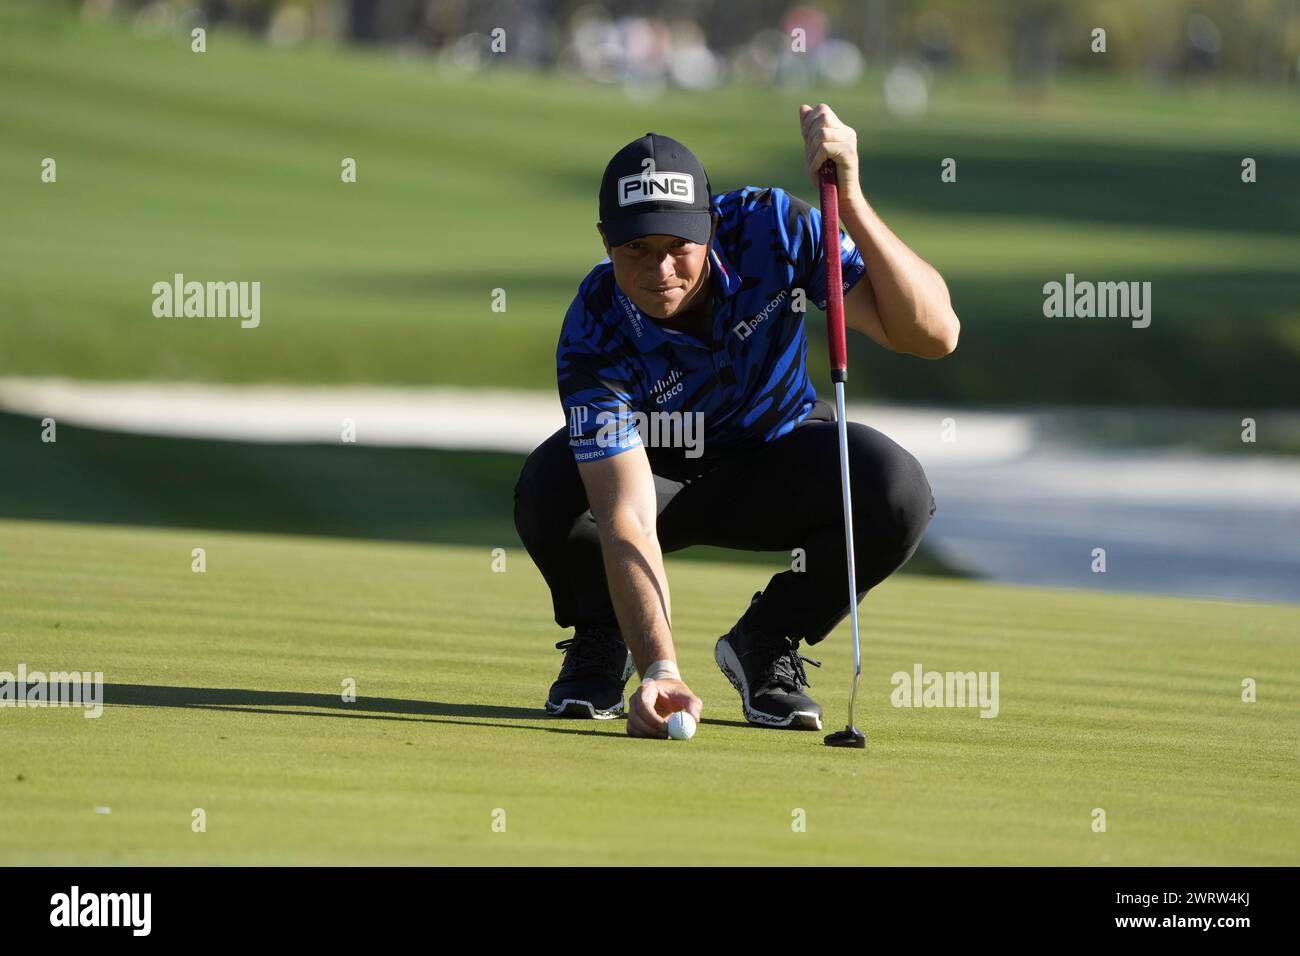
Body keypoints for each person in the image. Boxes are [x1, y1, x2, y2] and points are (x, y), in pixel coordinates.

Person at [513, 104, 959, 739]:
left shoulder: (773, 226)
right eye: (635, 247)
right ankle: (604, 635)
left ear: (711, 226)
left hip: (777, 453)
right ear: (604, 238)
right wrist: (660, 668)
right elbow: (627, 517)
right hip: (659, 473)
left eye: (678, 247)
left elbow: (935, 335)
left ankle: (765, 637)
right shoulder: (593, 327)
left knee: (896, 490)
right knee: (550, 488)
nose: (659, 269)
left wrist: (851, 197)